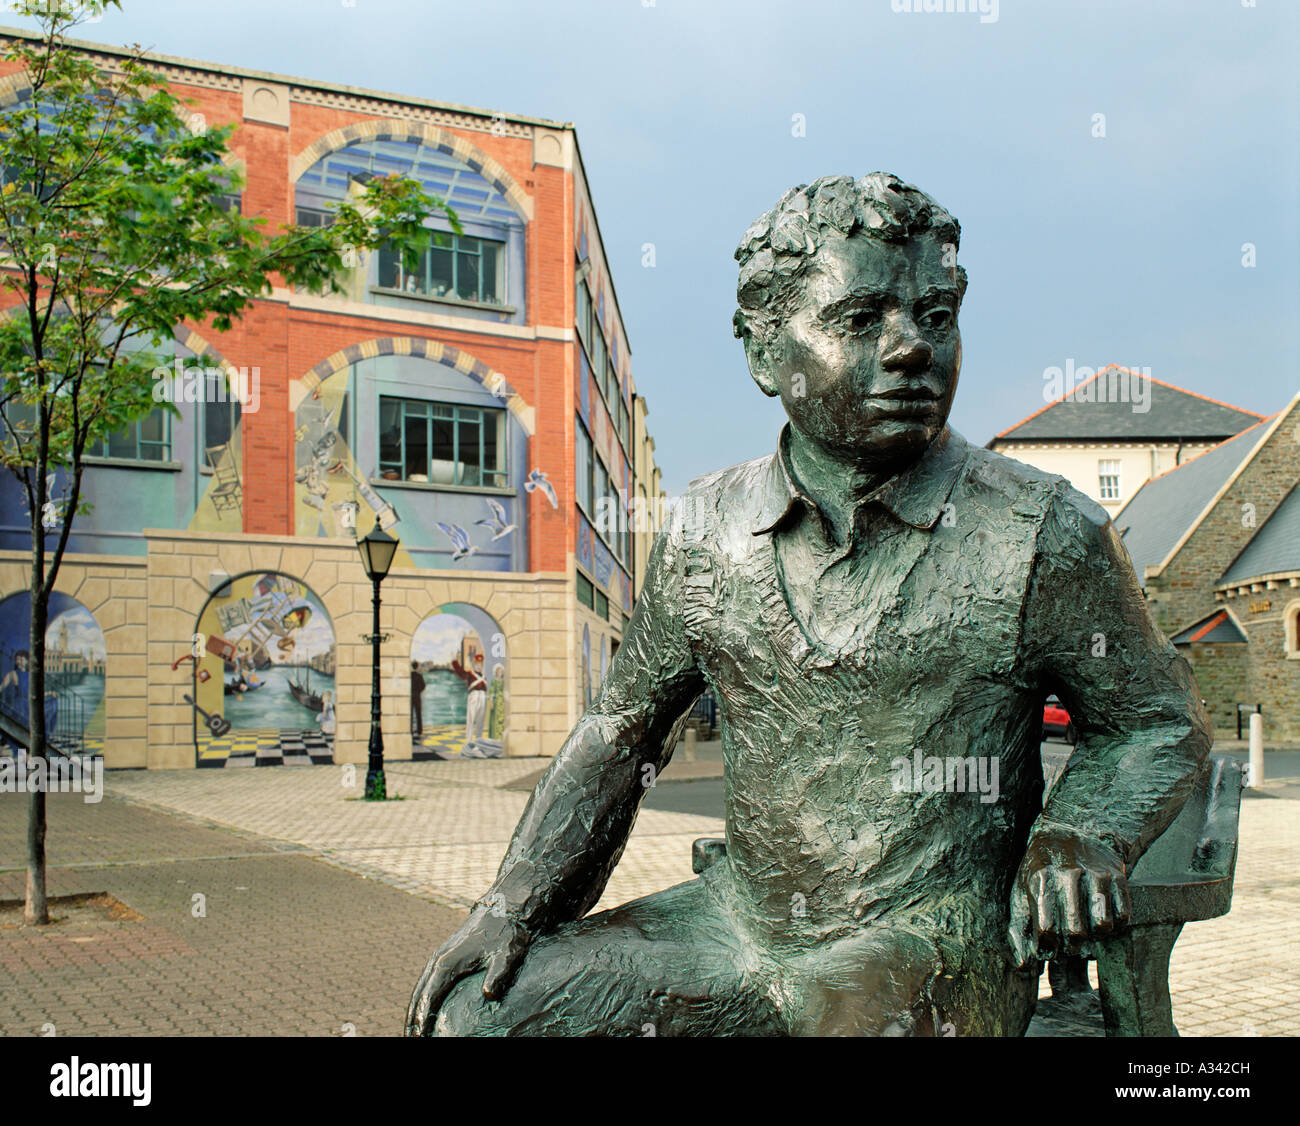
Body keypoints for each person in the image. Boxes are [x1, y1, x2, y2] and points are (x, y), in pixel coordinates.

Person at [406, 173, 1210, 1038]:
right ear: (762, 350)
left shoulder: (1039, 530)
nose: (911, 349)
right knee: (477, 1020)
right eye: (860, 320)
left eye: (936, 318)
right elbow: (621, 731)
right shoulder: (706, 532)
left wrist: (1082, 829)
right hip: (736, 928)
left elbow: (1157, 721)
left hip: (926, 942)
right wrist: (514, 905)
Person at [449, 652, 488, 756]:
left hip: (483, 697)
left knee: (480, 722)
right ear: (474, 665)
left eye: (481, 664)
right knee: (471, 721)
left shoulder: (484, 676)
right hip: (474, 697)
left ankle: (478, 745)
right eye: (477, 664)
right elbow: (461, 673)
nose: (479, 666)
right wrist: (454, 662)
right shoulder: (470, 674)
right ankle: (469, 745)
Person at [411, 661, 426, 738]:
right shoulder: (419, 676)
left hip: (410, 696)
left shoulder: (409, 676)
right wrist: (418, 691)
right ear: (417, 667)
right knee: (418, 714)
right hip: (417, 696)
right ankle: (419, 730)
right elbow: (423, 686)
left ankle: (410, 730)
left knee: (411, 714)